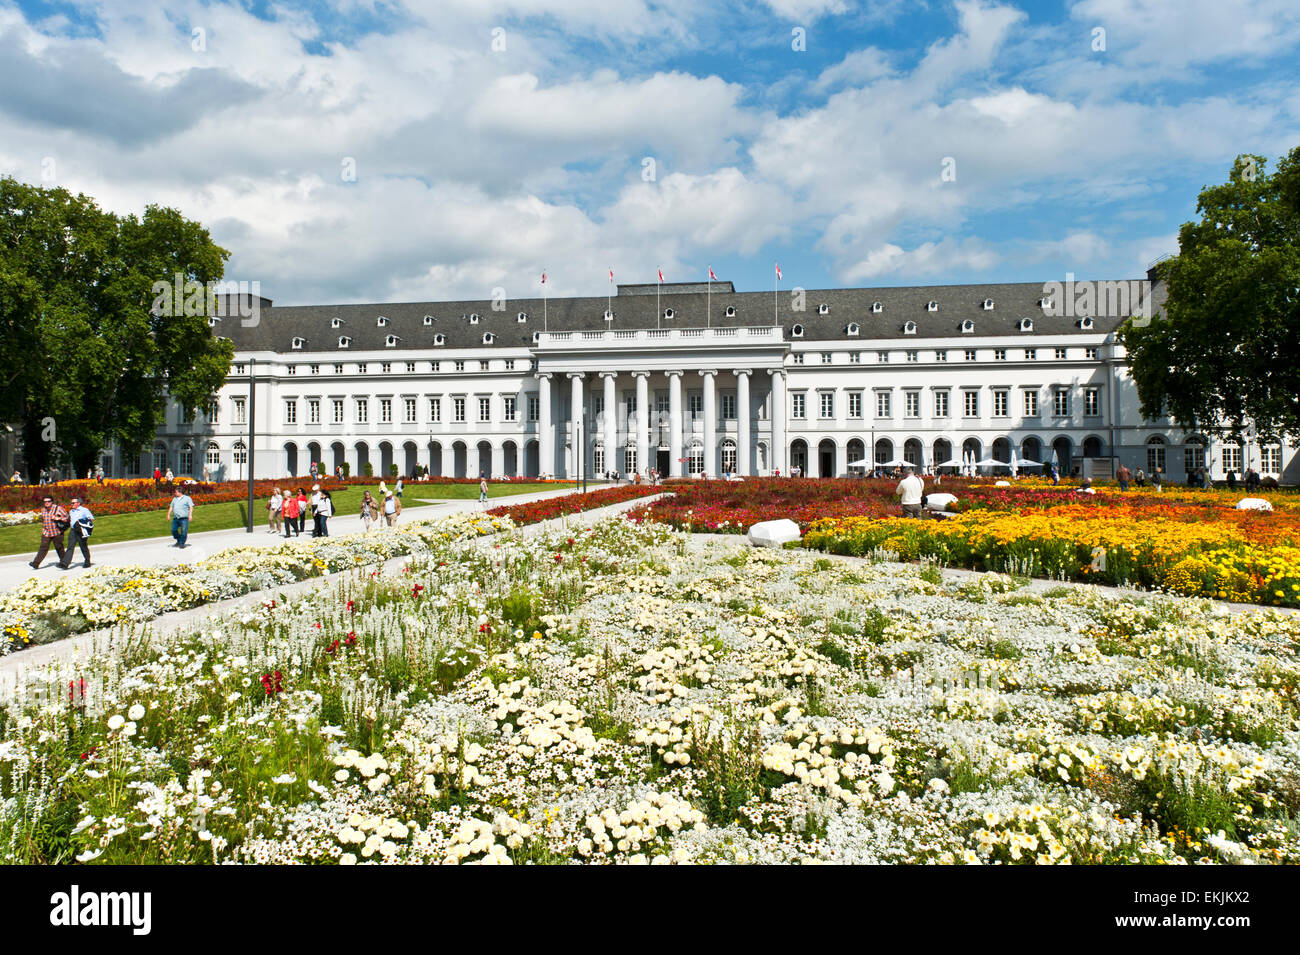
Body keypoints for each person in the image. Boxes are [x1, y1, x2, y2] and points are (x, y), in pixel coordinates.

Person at [30, 495, 69, 569]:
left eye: (48, 501)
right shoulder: (43, 509)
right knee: (43, 547)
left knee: (59, 547)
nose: (47, 503)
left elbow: (67, 518)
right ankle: (36, 563)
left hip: (57, 531)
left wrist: (57, 518)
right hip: (46, 532)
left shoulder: (58, 508)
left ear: (52, 502)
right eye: (45, 502)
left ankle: (64, 562)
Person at [59, 496, 94, 569]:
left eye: (73, 503)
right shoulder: (71, 511)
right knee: (70, 547)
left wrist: (82, 522)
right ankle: (65, 564)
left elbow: (91, 519)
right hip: (73, 530)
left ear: (78, 503)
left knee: (83, 546)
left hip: (81, 530)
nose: (71, 504)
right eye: (71, 503)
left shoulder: (84, 510)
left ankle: (87, 562)